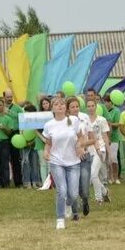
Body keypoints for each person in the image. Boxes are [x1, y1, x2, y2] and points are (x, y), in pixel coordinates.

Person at [43, 97, 85, 230]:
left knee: (73, 193)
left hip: (73, 162)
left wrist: (79, 146)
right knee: (62, 190)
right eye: (56, 104)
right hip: (56, 161)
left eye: (62, 104)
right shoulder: (49, 125)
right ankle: (60, 219)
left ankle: (68, 204)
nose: (60, 106)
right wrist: (46, 151)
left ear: (65, 107)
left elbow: (81, 136)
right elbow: (48, 143)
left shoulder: (73, 120)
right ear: (52, 108)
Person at [67, 97, 93, 219]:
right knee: (73, 187)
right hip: (70, 158)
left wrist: (83, 145)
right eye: (72, 107)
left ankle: (85, 200)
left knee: (84, 187)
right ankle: (75, 213)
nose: (75, 109)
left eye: (77, 106)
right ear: (68, 109)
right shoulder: (65, 121)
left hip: (84, 157)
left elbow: (92, 138)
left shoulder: (85, 118)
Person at [86, 97, 111, 203]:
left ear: (96, 107)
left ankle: (98, 198)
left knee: (93, 174)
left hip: (100, 148)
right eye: (88, 106)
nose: (91, 108)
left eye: (93, 106)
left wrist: (109, 152)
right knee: (92, 176)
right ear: (86, 108)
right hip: (88, 150)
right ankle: (104, 191)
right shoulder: (84, 120)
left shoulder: (102, 120)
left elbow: (105, 136)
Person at [20, 104, 41, 189]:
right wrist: (25, 142)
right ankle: (27, 182)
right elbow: (21, 132)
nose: (26, 114)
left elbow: (37, 133)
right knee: (26, 163)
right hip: (25, 144)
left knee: (35, 163)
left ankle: (35, 181)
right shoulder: (22, 120)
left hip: (35, 144)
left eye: (27, 112)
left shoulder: (36, 121)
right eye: (25, 112)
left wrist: (32, 141)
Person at [102, 94, 121, 185]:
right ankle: (109, 177)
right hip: (103, 138)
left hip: (114, 138)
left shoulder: (116, 111)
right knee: (106, 159)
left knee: (113, 158)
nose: (106, 104)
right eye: (105, 102)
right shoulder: (102, 110)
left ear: (111, 102)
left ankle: (116, 177)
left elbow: (118, 124)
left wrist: (109, 124)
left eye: (108, 102)